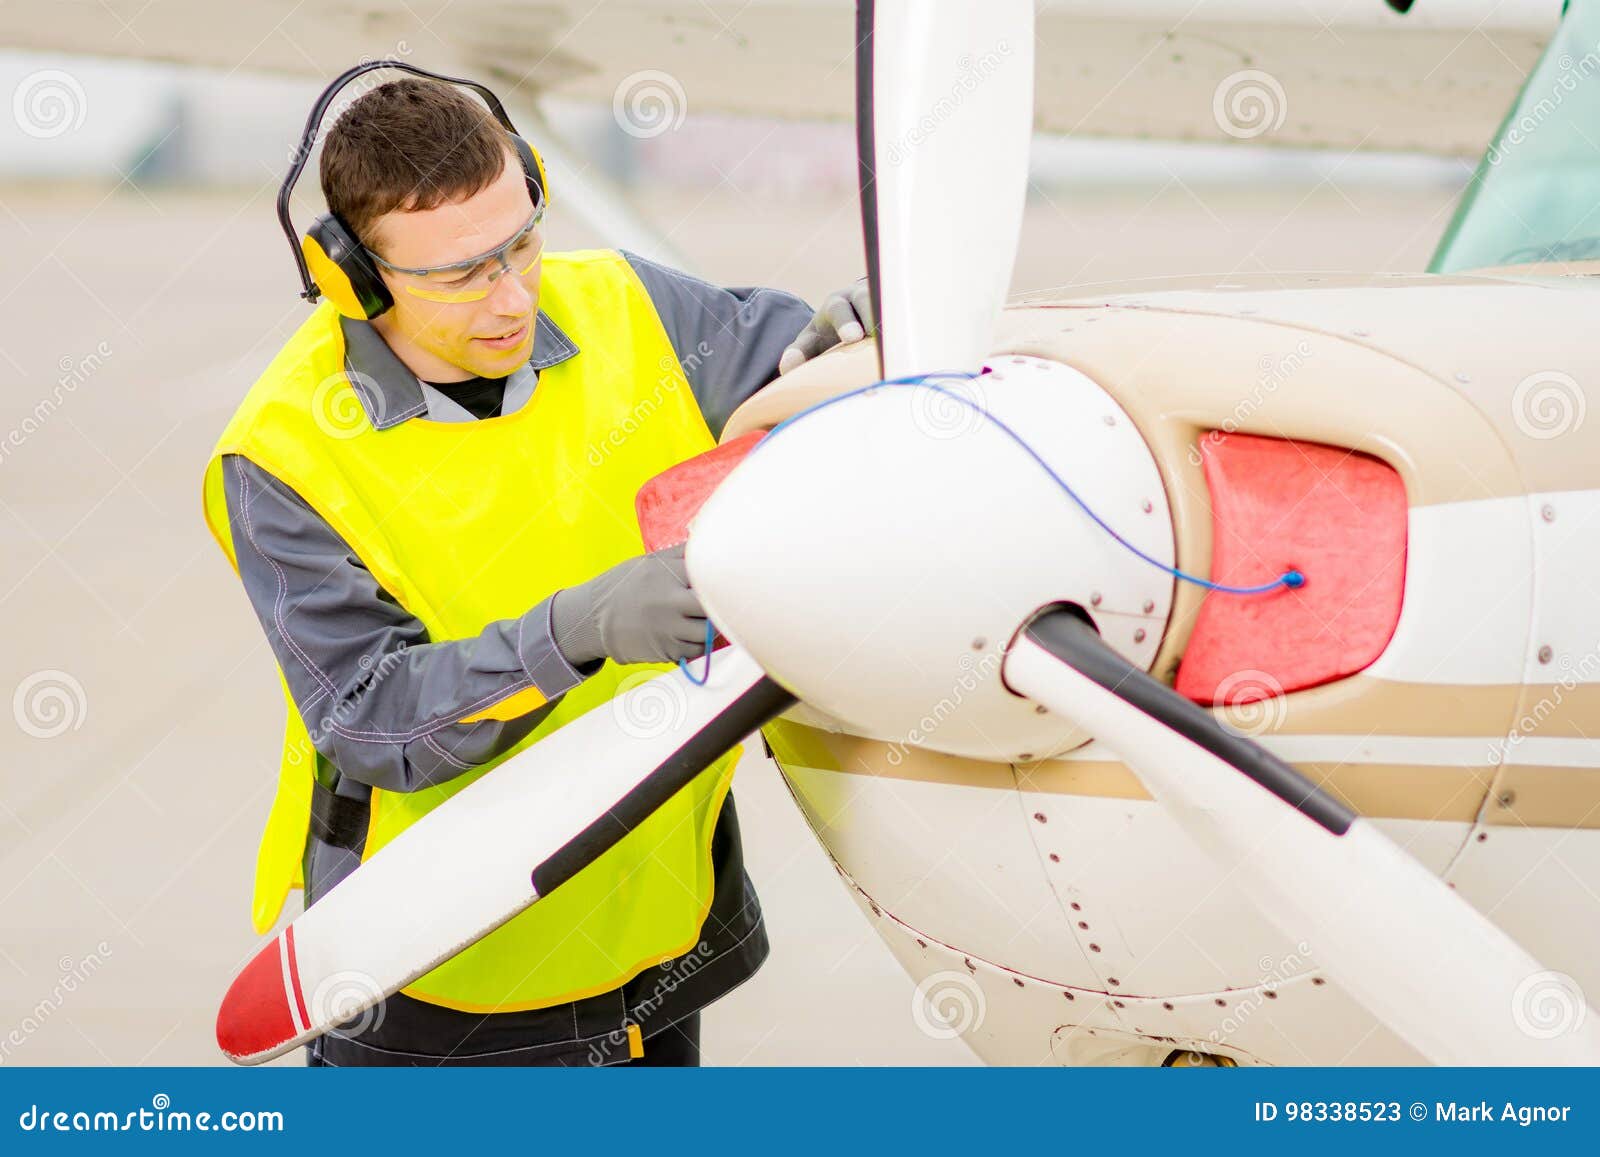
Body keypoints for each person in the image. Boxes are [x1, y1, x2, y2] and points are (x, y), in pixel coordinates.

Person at [199, 66, 874, 1067]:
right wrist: (576, 630)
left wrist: (848, 361)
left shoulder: (626, 302)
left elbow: (786, 365)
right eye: (463, 273)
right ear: (355, 276)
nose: (514, 294)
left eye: (522, 241)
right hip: (436, 973)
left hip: (652, 936)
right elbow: (372, 716)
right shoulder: (285, 451)